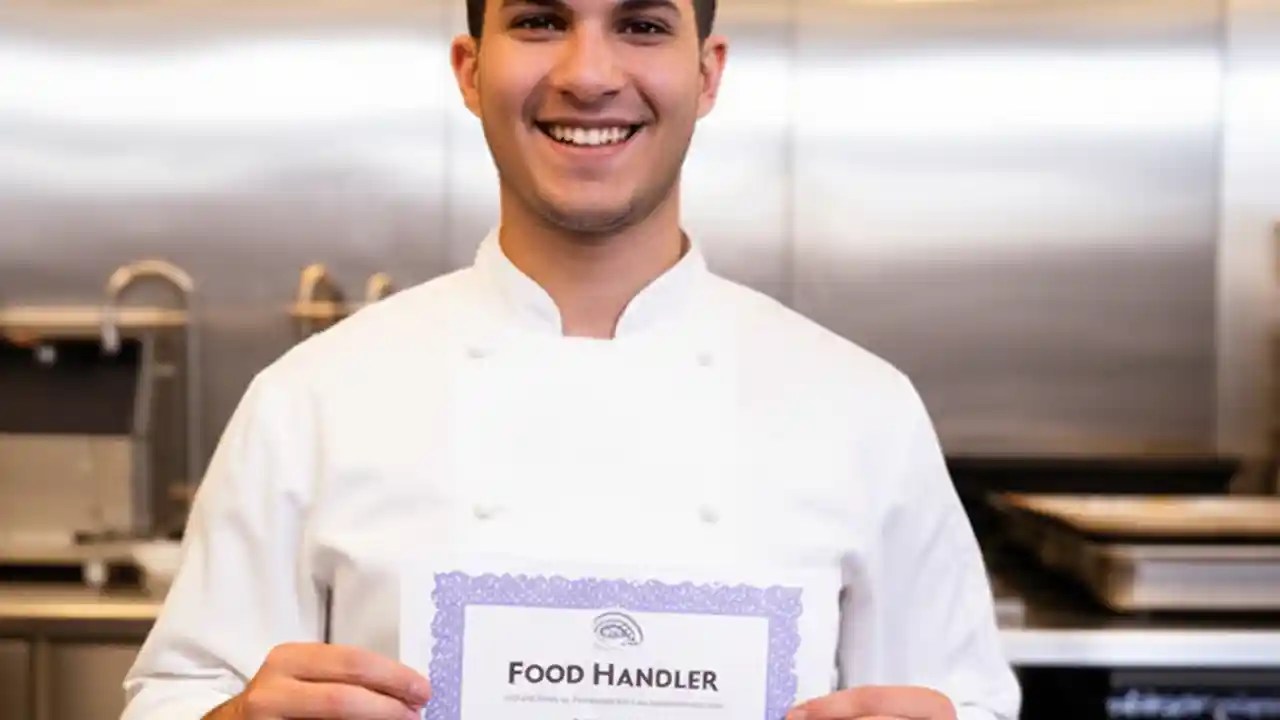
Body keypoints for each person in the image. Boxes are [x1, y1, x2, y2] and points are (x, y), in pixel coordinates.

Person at [122, 0, 1022, 718]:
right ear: (470, 71)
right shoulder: (308, 400)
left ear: (707, 74)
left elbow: (969, 699)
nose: (588, 75)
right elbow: (175, 698)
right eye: (541, 20)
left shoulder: (861, 408)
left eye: (640, 24)